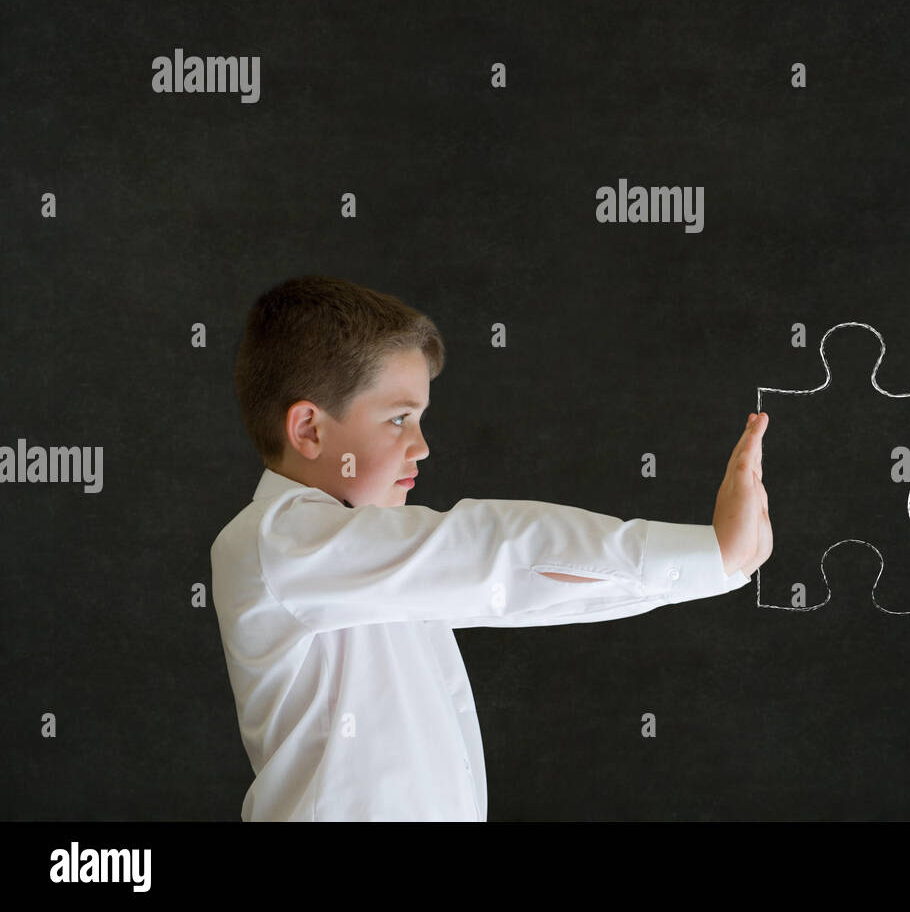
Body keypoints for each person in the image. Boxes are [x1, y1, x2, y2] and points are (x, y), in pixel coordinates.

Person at [210, 273, 772, 821]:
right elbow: (492, 550)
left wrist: (715, 566)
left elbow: (533, 587)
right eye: (399, 418)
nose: (422, 447)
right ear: (309, 429)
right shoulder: (277, 542)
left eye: (420, 419)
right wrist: (711, 555)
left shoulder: (364, 557)